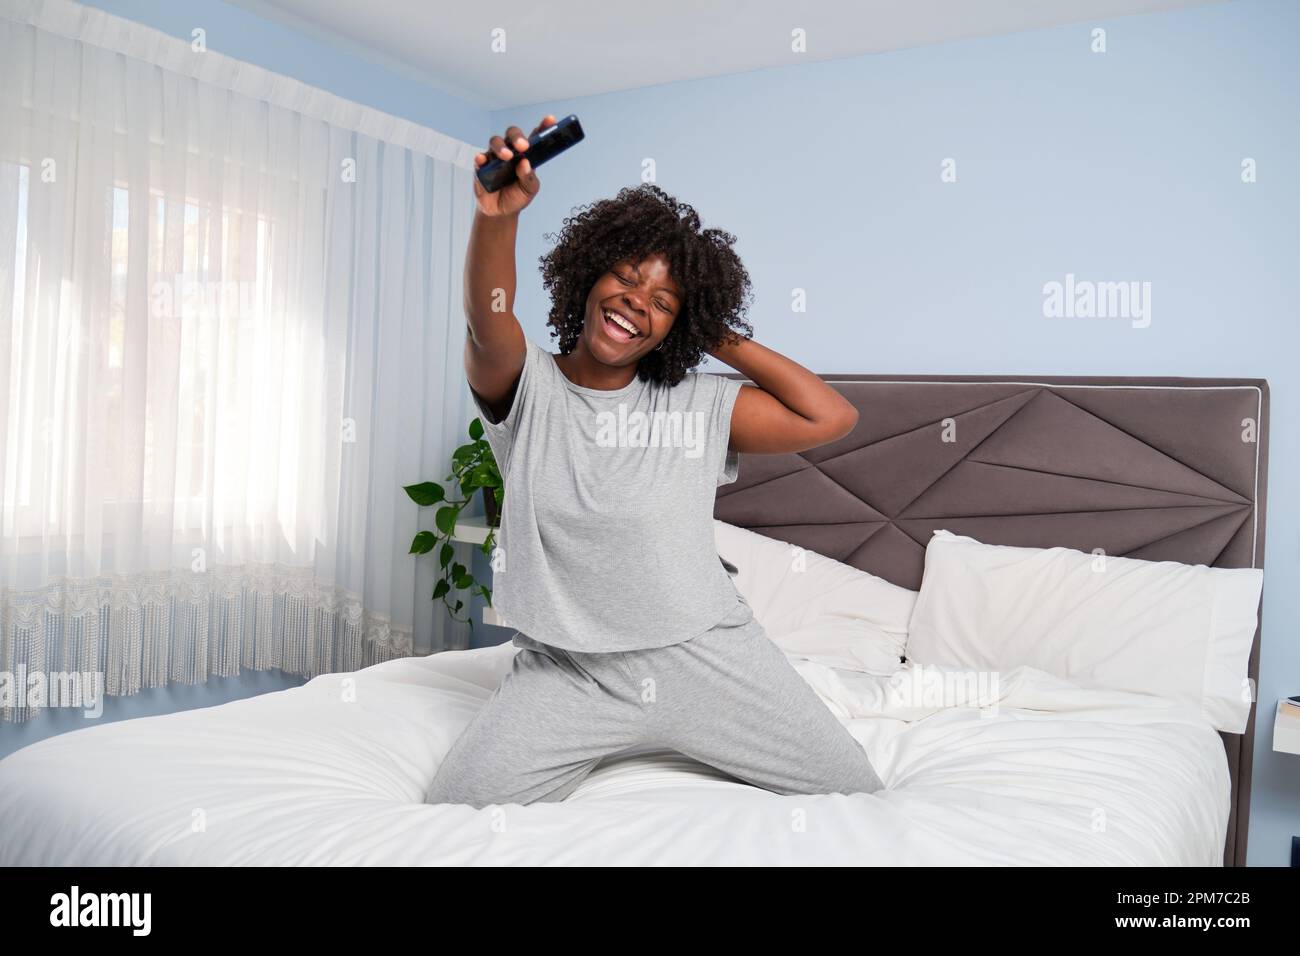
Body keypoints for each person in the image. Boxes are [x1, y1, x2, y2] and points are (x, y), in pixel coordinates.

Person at [425, 115, 884, 807]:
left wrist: (708, 327)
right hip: (571, 670)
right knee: (453, 811)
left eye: (663, 302)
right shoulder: (528, 388)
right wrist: (497, 217)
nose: (637, 304)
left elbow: (829, 416)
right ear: (588, 273)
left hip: (705, 656)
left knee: (853, 791)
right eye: (627, 278)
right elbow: (488, 319)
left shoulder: (696, 404)